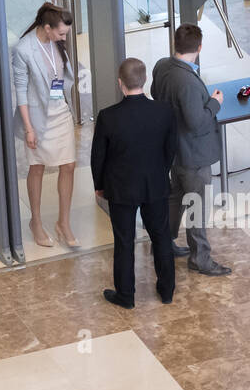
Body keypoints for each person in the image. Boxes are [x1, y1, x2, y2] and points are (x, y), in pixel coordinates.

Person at [92, 58, 178, 309]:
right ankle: (167, 291)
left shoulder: (108, 117)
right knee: (161, 236)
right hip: (155, 184)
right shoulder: (163, 111)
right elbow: (170, 149)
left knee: (124, 241)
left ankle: (126, 296)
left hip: (121, 189)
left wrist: (99, 184)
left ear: (120, 83)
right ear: (145, 81)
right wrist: (160, 172)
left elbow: (98, 156)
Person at [156, 23, 232, 276]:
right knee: (197, 205)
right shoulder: (186, 80)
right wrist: (214, 103)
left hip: (174, 150)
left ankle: (163, 243)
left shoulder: (163, 67)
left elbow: (158, 96)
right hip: (193, 154)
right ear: (199, 48)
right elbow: (197, 122)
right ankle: (200, 258)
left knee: (176, 197)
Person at [11, 2, 79, 248]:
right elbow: (20, 90)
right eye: (61, 33)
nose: (64, 38)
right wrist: (28, 128)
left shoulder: (56, 43)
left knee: (69, 165)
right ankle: (36, 222)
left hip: (60, 110)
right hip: (38, 117)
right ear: (47, 28)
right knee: (37, 167)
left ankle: (63, 222)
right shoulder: (24, 50)